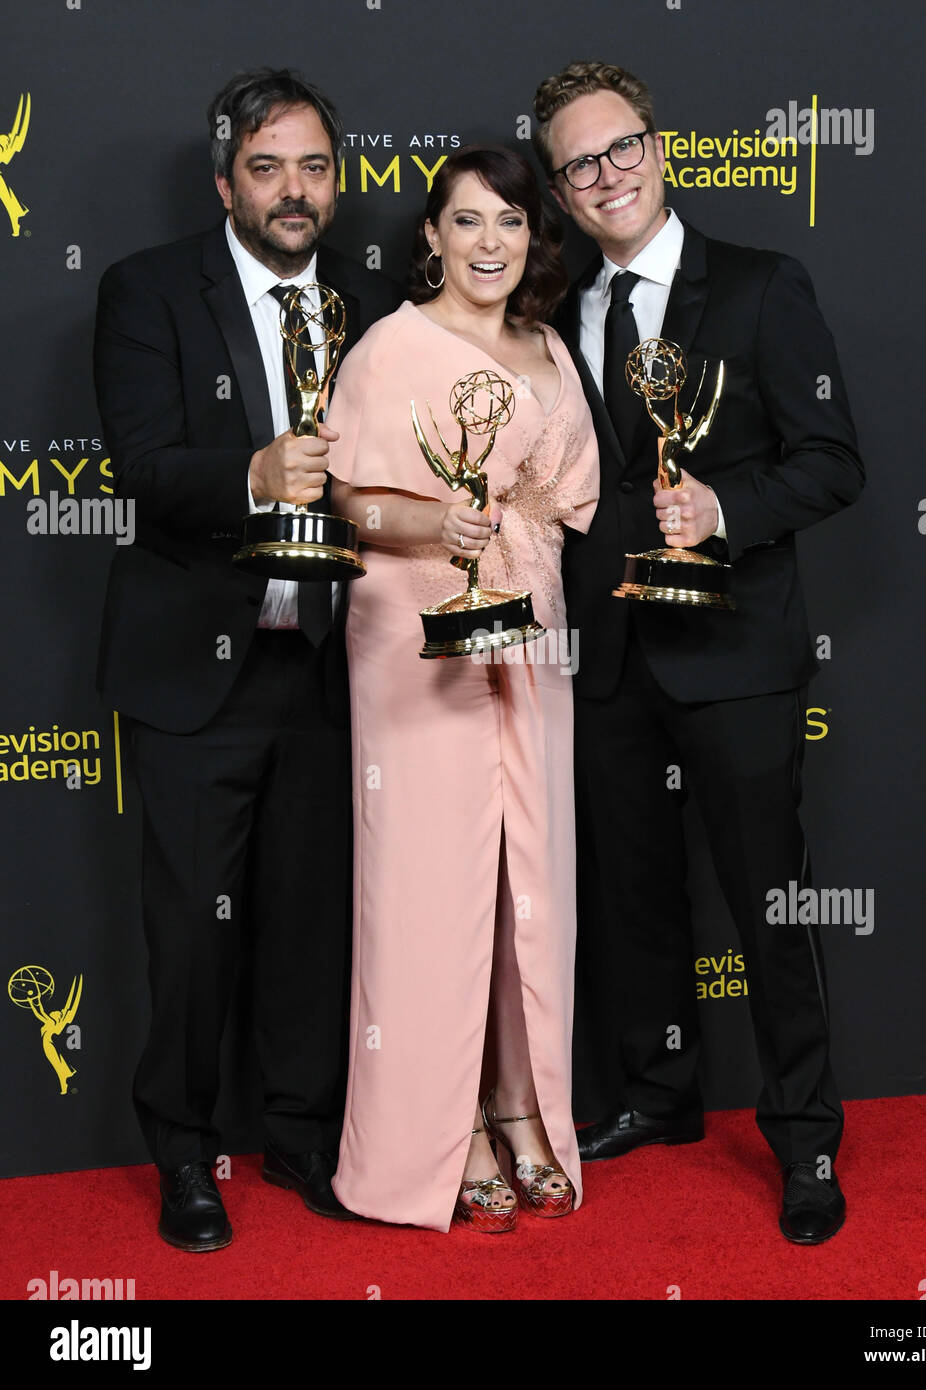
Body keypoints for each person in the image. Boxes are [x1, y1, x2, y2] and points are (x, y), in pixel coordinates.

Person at [532, 61, 864, 1243]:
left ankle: (805, 1137)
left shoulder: (764, 288)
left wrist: (720, 510)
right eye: (578, 163)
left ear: (657, 147)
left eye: (619, 148)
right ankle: (657, 1098)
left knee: (768, 907)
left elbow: (832, 460)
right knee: (632, 902)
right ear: (561, 192)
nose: (606, 175)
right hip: (611, 652)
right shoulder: (557, 311)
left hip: (734, 655)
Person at [94, 68, 399, 1251]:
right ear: (224, 180)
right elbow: (140, 462)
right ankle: (183, 1153)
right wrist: (252, 475)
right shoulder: (147, 291)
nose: (292, 190)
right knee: (188, 933)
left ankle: (302, 1133)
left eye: (313, 167)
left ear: (339, 181)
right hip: (195, 671)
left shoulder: (374, 310)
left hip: (329, 669)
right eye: (265, 167)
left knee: (312, 921)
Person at [325, 145, 599, 1232]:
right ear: (429, 235)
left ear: (536, 237)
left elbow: (564, 495)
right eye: (467, 222)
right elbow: (347, 498)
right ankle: (434, 1139)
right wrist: (438, 522)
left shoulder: (547, 346)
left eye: (512, 222)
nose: (490, 243)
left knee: (526, 883)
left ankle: (520, 1106)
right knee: (427, 892)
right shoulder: (389, 348)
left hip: (530, 626)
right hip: (413, 632)